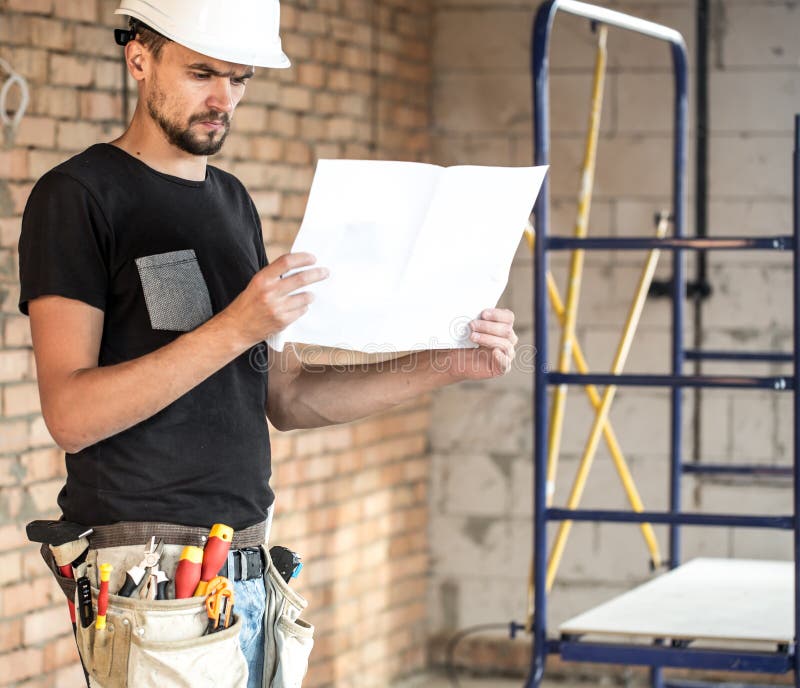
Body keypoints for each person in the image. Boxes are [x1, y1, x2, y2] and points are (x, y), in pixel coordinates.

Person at [17, 1, 519, 686]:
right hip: (149, 578)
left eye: (240, 78)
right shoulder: (77, 196)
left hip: (246, 568)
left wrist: (452, 363)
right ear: (139, 59)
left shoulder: (233, 204)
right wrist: (237, 326)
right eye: (201, 73)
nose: (223, 98)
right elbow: (69, 416)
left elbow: (288, 397)